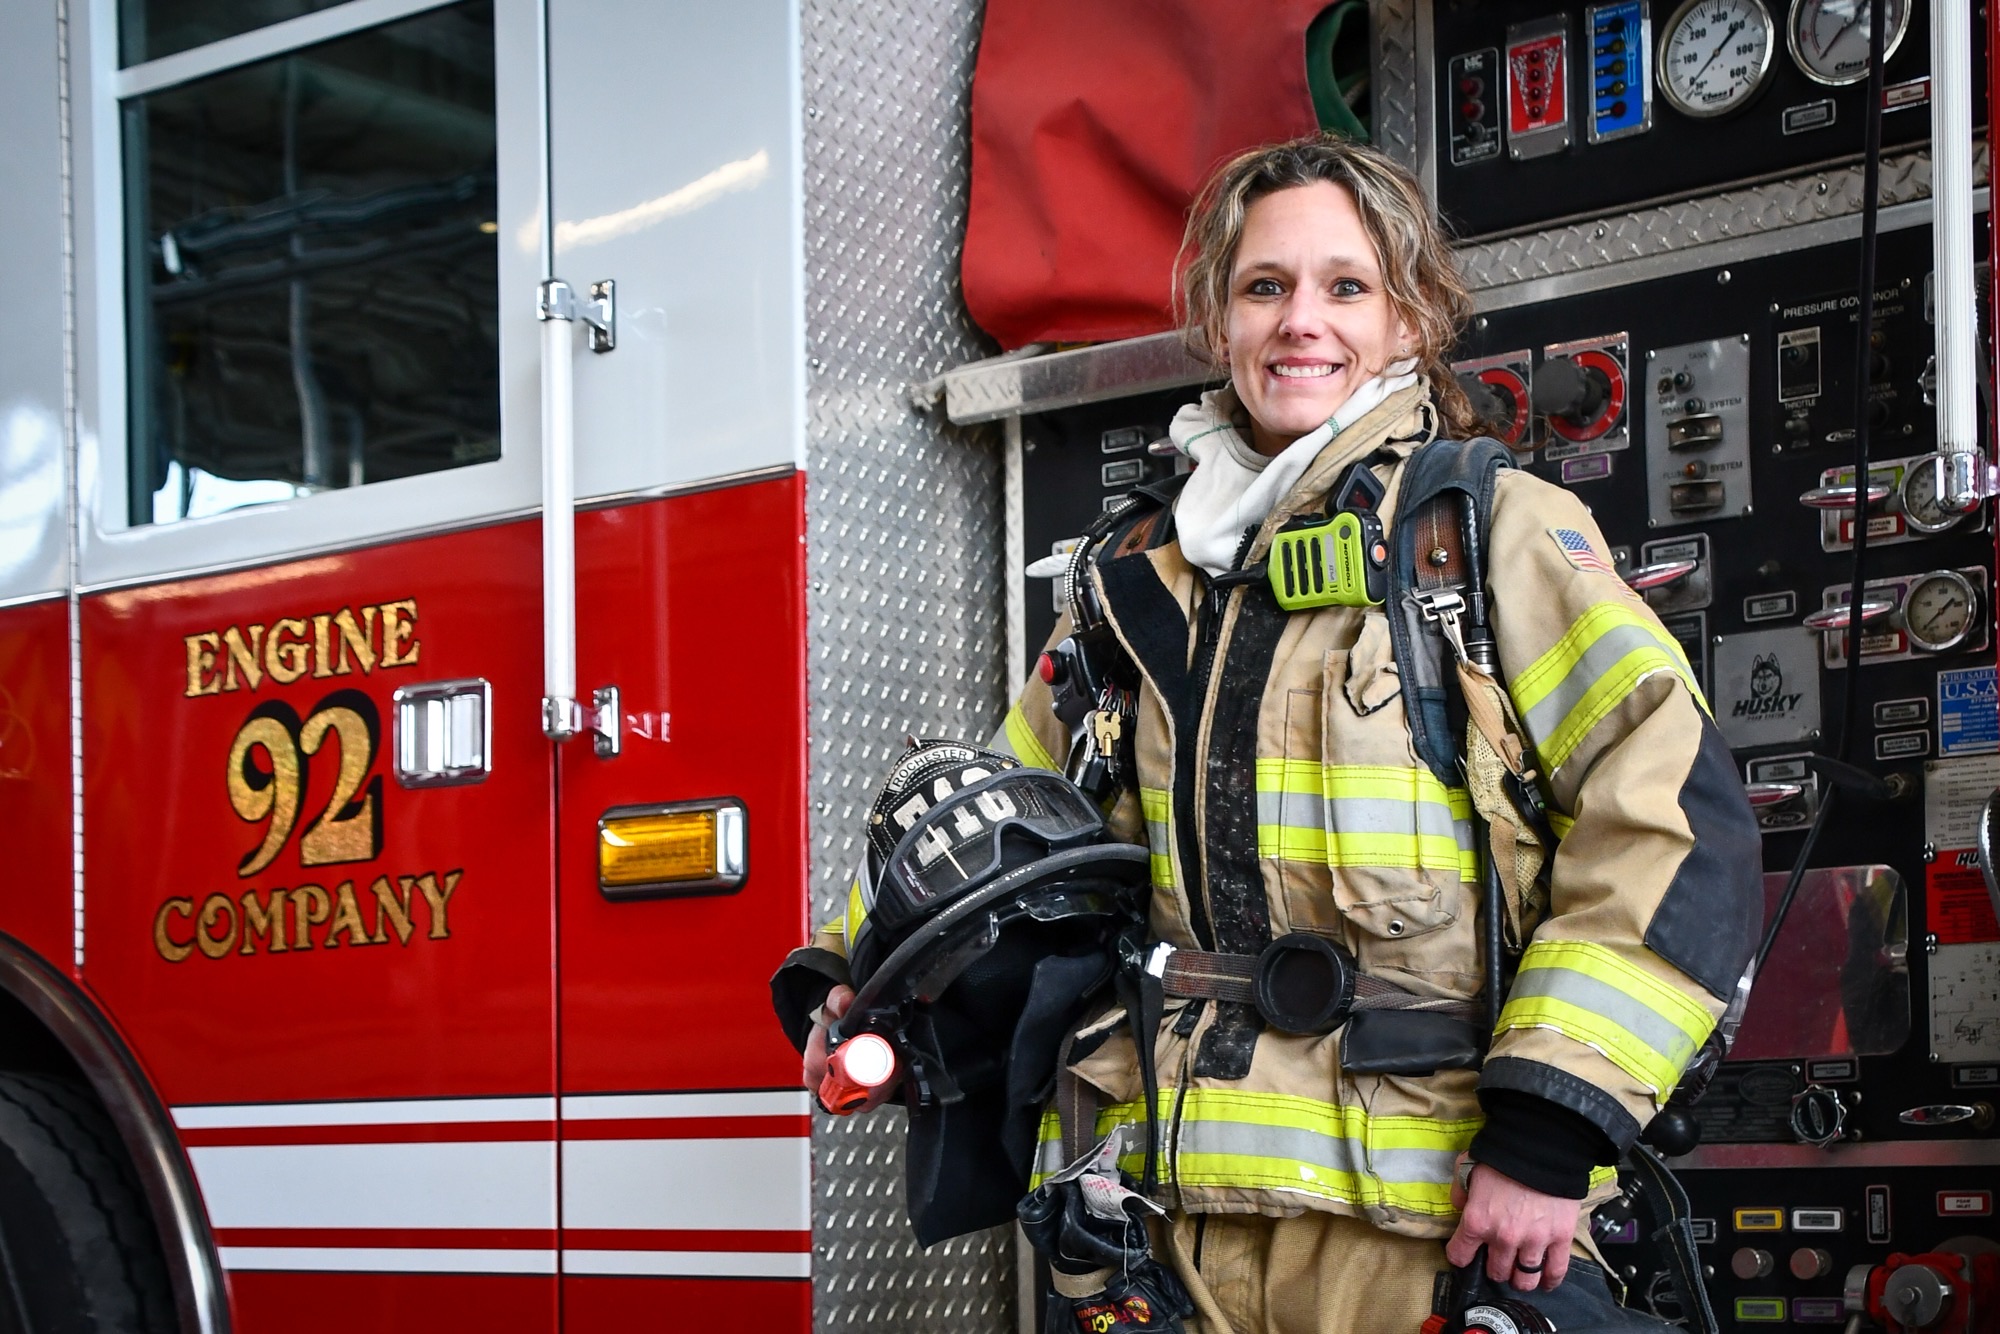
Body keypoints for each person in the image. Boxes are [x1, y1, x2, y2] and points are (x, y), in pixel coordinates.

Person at [803, 134, 1762, 1334]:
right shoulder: (1133, 573)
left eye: (1344, 287)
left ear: (1409, 321)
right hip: (1156, 1223)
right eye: (1265, 287)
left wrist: (1549, 1123)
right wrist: (853, 965)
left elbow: (1670, 821)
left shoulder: (1481, 535)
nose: (1299, 320)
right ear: (1220, 318)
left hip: (1418, 1223)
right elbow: (1006, 806)